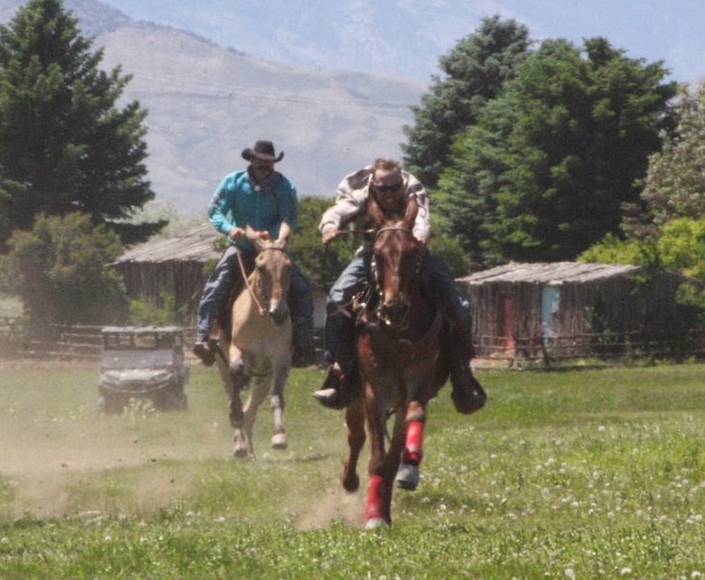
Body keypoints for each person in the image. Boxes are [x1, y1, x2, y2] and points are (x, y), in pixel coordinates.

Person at [313, 157, 486, 412]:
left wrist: (418, 236)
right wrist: (329, 227)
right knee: (337, 299)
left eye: (394, 187)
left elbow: (422, 218)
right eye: (384, 189)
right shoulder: (358, 188)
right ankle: (338, 371)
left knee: (458, 304)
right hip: (374, 256)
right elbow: (339, 210)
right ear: (374, 183)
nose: (391, 194)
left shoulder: (412, 188)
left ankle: (462, 375)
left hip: (410, 255)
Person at [192, 139, 315, 366]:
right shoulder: (233, 182)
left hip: (272, 250)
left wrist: (276, 235)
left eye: (268, 161)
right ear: (252, 159)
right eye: (260, 160)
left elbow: (289, 217)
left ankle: (303, 343)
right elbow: (215, 211)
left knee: (301, 288)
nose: (264, 165)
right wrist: (231, 229)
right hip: (241, 248)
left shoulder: (285, 186)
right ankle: (204, 336)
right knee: (216, 284)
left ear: (273, 163)